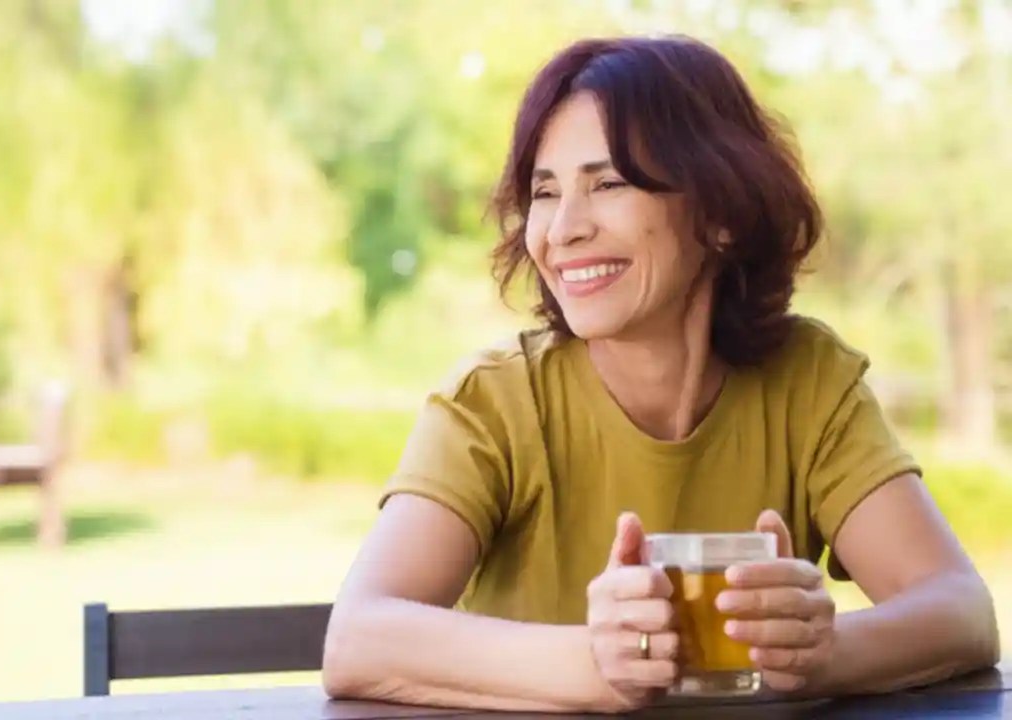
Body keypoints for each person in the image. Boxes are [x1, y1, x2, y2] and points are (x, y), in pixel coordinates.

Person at [320, 35, 1000, 714]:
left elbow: (961, 611)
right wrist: (596, 662)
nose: (562, 230)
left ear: (722, 214)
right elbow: (359, 638)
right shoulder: (495, 401)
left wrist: (822, 654)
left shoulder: (807, 382)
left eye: (608, 183)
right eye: (545, 192)